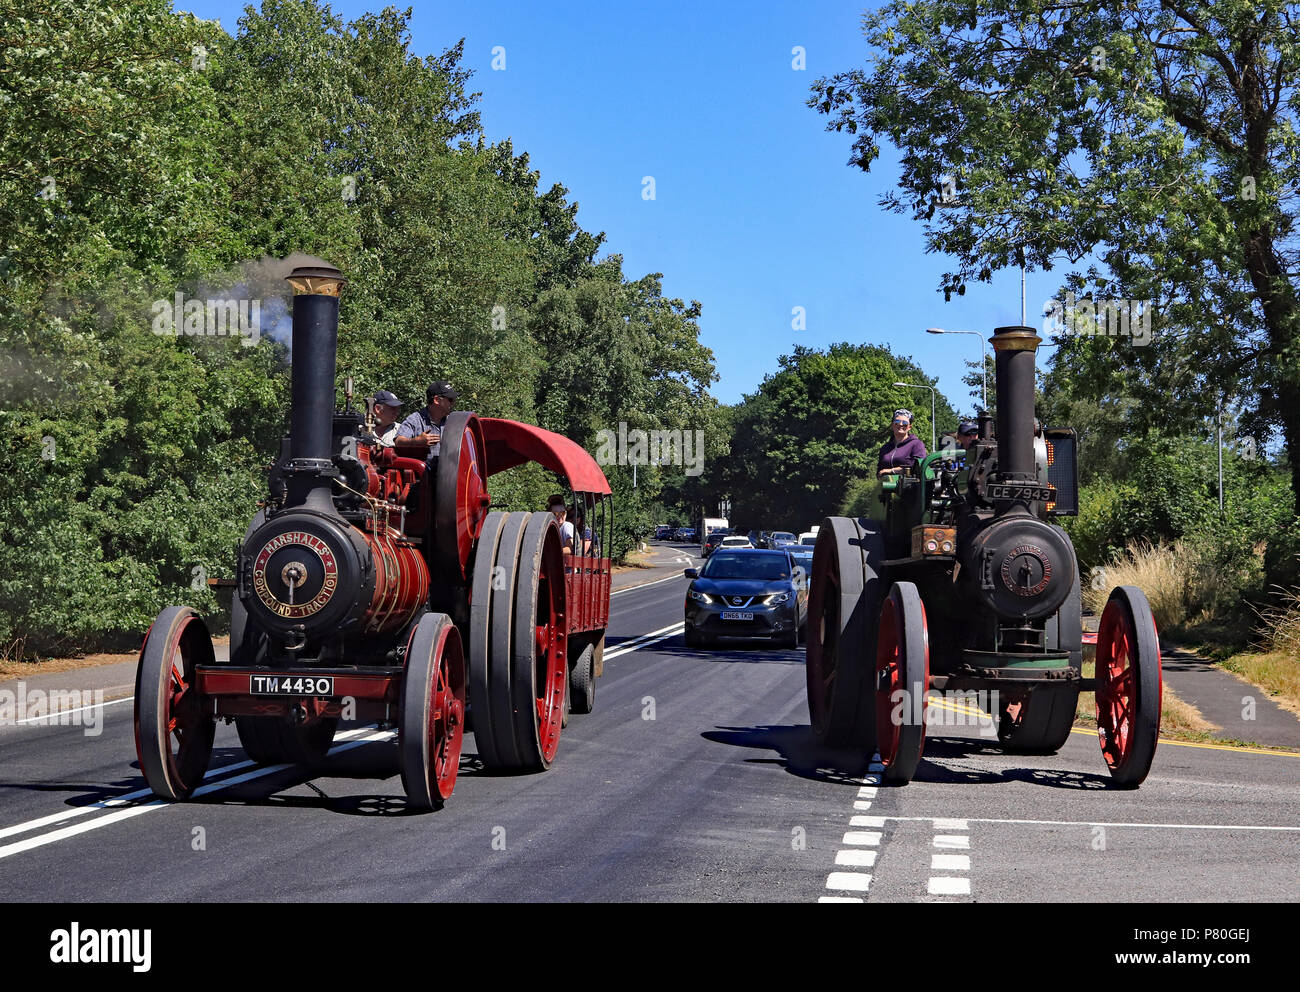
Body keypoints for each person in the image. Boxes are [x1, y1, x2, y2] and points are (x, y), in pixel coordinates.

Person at [395, 380, 457, 464]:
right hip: (424, 475)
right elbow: (398, 441)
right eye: (450, 399)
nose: (453, 403)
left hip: (448, 475)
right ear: (437, 400)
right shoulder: (415, 420)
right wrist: (416, 441)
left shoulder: (453, 422)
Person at [877, 408, 928, 478]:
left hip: (909, 487)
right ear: (892, 425)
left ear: (909, 427)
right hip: (885, 487)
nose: (900, 424)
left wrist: (892, 471)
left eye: (905, 423)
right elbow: (879, 471)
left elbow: (918, 468)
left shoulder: (917, 444)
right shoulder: (885, 448)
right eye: (897, 422)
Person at [549, 494, 576, 559]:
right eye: (556, 514)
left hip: (566, 568)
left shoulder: (567, 526)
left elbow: (569, 549)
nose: (560, 516)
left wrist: (549, 552)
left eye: (562, 513)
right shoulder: (549, 528)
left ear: (566, 513)